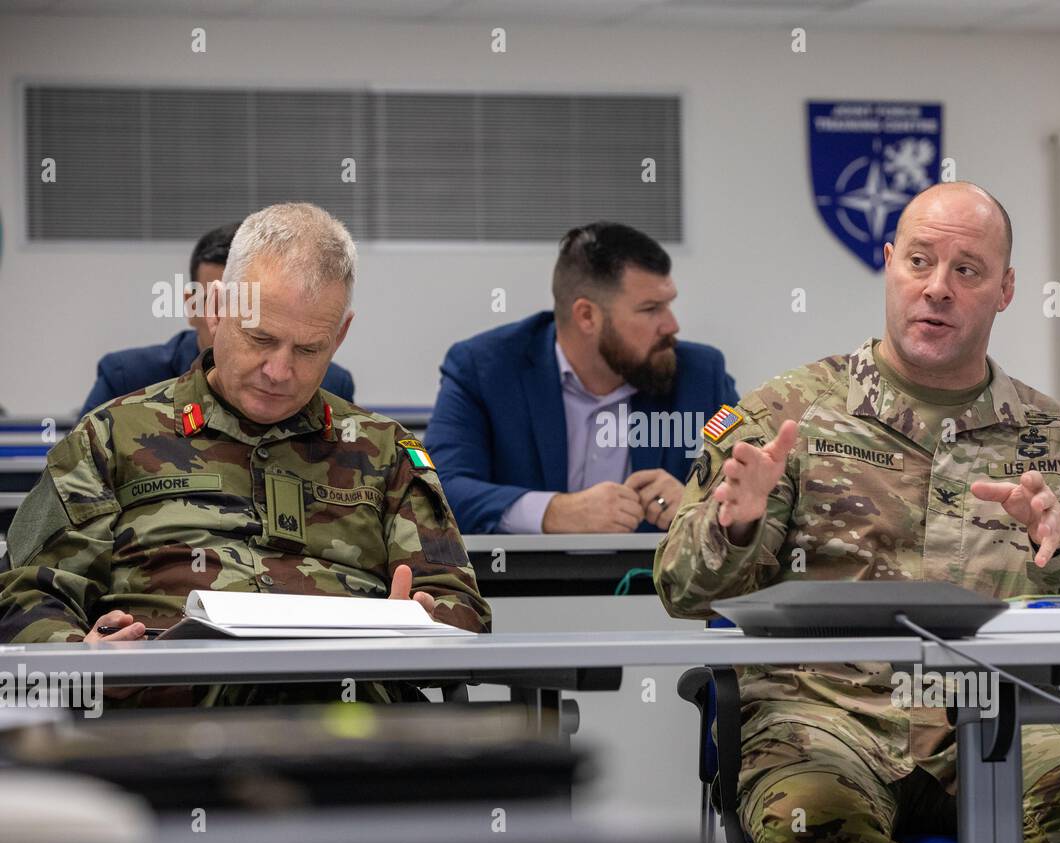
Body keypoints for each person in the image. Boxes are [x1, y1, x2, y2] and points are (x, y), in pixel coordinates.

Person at [654, 182, 1060, 843]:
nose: (937, 289)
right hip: (826, 719)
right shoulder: (786, 415)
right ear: (890, 263)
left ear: (1005, 289)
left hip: (1007, 718)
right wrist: (734, 528)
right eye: (919, 262)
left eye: (967, 270)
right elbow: (681, 592)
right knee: (816, 826)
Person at [2, 203, 489, 707]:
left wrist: (421, 623)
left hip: (348, 725)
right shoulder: (109, 438)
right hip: (160, 725)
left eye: (308, 350)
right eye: (261, 339)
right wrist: (80, 655)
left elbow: (463, 607)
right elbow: (26, 592)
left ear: (339, 335)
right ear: (215, 310)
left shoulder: (386, 451)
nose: (279, 371)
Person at [425, 221, 737, 534]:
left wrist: (698, 503)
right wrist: (552, 512)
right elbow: (437, 491)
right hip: (519, 580)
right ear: (587, 316)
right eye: (650, 309)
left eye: (668, 304)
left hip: (654, 581)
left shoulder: (701, 375)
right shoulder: (483, 369)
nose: (672, 325)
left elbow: (756, 481)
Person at [80, 221, 356, 417]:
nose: (278, 372)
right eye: (259, 336)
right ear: (200, 307)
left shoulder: (328, 383)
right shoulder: (128, 378)